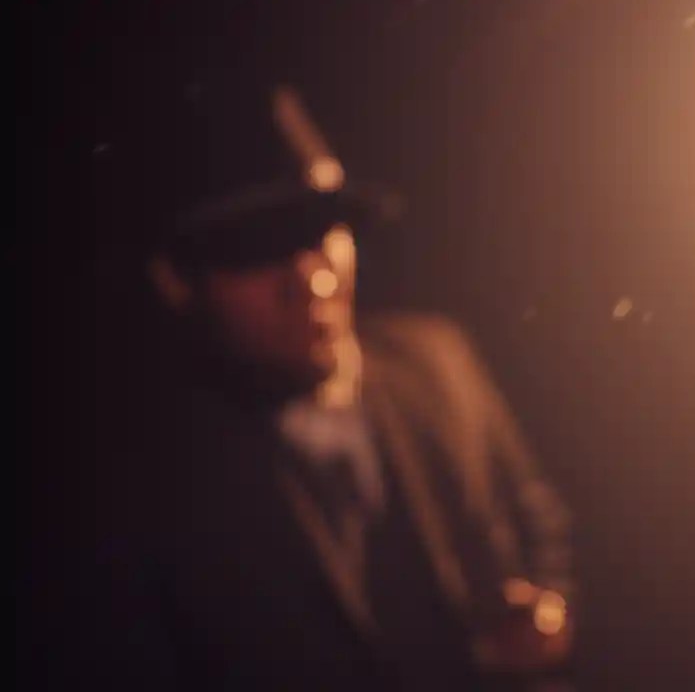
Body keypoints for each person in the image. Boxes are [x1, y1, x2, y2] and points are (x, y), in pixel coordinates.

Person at [88, 81, 574, 691]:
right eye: (255, 249)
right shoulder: (149, 478)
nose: (311, 281)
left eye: (319, 234)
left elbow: (534, 513)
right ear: (179, 281)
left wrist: (547, 610)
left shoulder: (436, 359)